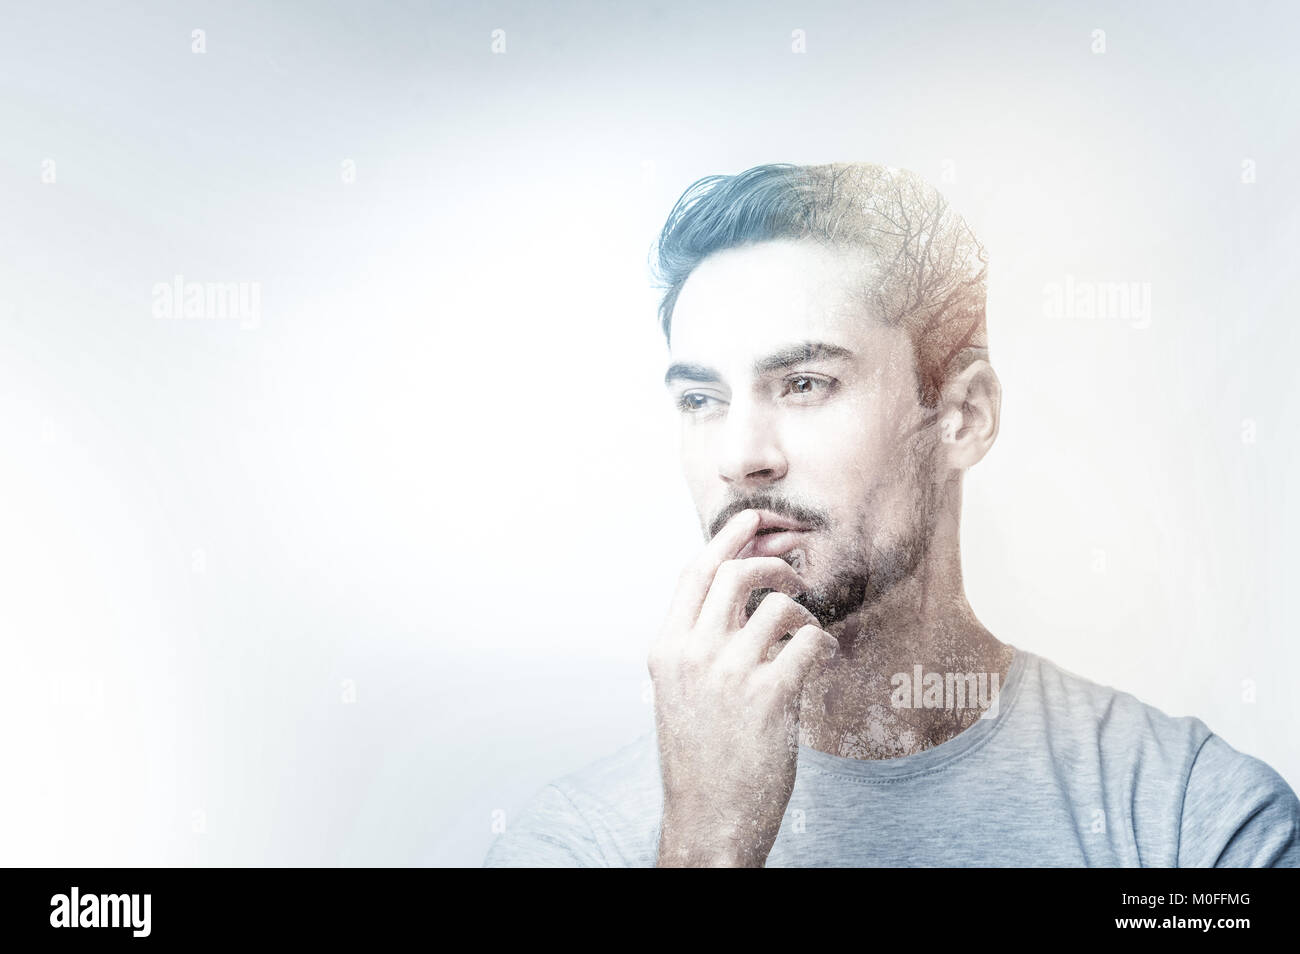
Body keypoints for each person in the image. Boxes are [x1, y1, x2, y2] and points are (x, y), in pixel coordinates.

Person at [483, 162, 1300, 867]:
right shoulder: (579, 843)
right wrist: (708, 847)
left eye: (804, 383)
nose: (739, 456)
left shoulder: (1191, 821)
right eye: (702, 397)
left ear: (964, 416)